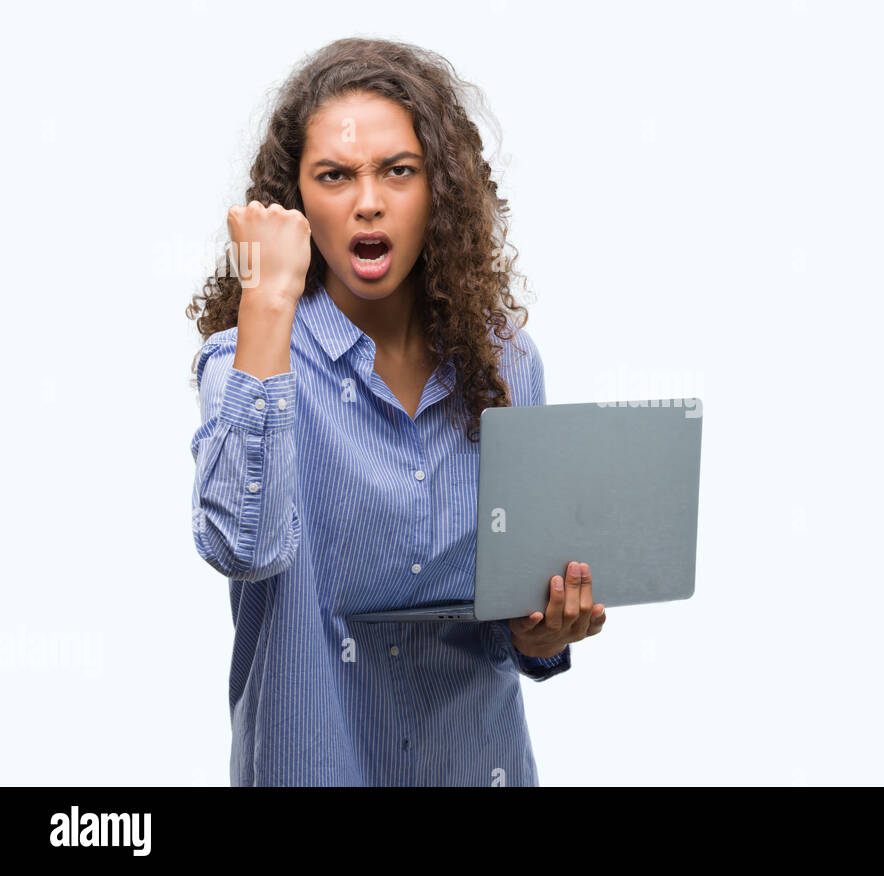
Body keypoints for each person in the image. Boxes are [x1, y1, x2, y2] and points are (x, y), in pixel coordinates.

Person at [184, 37, 606, 786]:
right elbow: (240, 549)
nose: (368, 200)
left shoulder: (508, 362)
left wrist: (543, 633)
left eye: (398, 172)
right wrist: (266, 300)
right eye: (335, 176)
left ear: (438, 190)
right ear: (297, 200)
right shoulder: (247, 359)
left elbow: (519, 621)